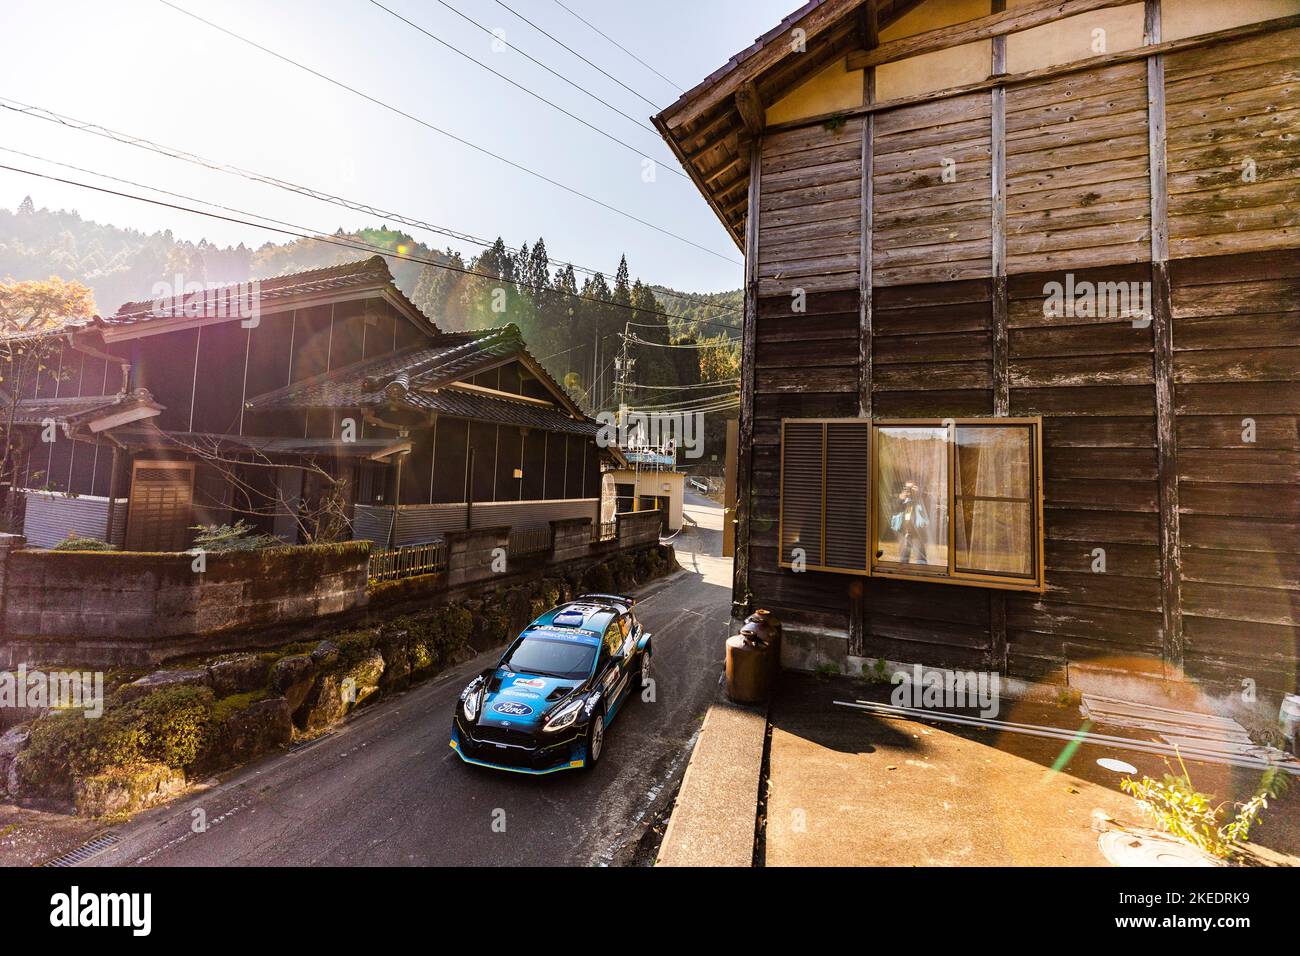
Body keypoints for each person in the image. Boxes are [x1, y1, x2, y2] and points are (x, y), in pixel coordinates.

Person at [890, 480, 928, 565]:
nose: (909, 490)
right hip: (904, 532)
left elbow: (927, 504)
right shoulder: (903, 499)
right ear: (904, 488)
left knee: (920, 558)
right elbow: (894, 510)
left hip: (916, 532)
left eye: (911, 488)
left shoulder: (919, 499)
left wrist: (919, 494)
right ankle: (903, 572)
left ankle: (922, 573)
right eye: (907, 488)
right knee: (904, 557)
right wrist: (900, 499)